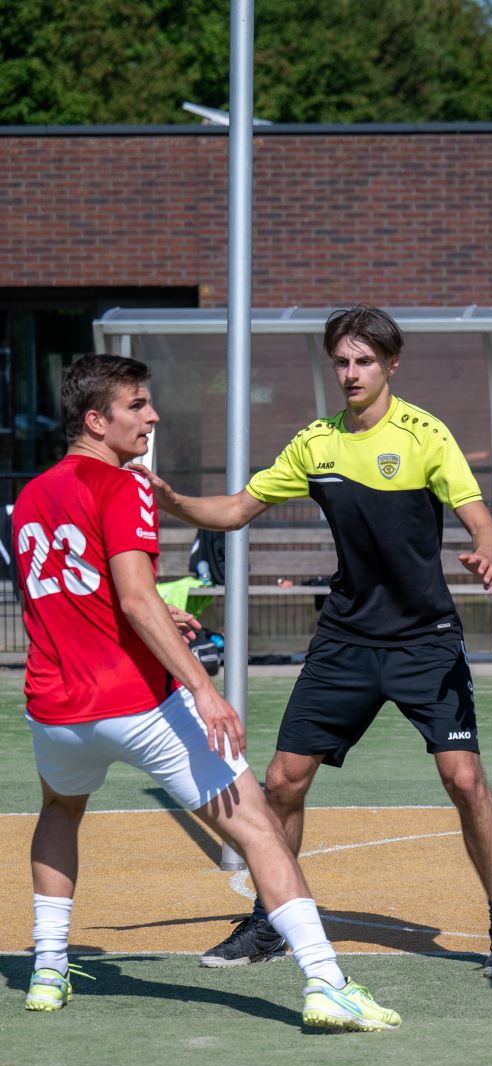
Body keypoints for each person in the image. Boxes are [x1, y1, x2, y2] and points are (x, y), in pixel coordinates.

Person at [137, 306, 492, 979]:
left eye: (363, 362)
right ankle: (270, 922)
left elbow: (480, 522)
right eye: (342, 363)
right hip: (346, 639)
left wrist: (485, 554)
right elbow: (234, 511)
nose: (350, 374)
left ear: (390, 365)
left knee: (463, 779)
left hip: (424, 640)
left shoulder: (424, 435)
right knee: (284, 780)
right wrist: (174, 503)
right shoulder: (315, 443)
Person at [17, 355, 399, 1031]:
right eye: (136, 405)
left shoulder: (31, 493)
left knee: (59, 810)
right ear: (96, 419)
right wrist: (204, 688)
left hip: (54, 708)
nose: (152, 416)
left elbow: (80, 596)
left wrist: (164, 617)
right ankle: (326, 982)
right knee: (262, 834)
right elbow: (133, 599)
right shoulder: (124, 486)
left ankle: (47, 969)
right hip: (137, 705)